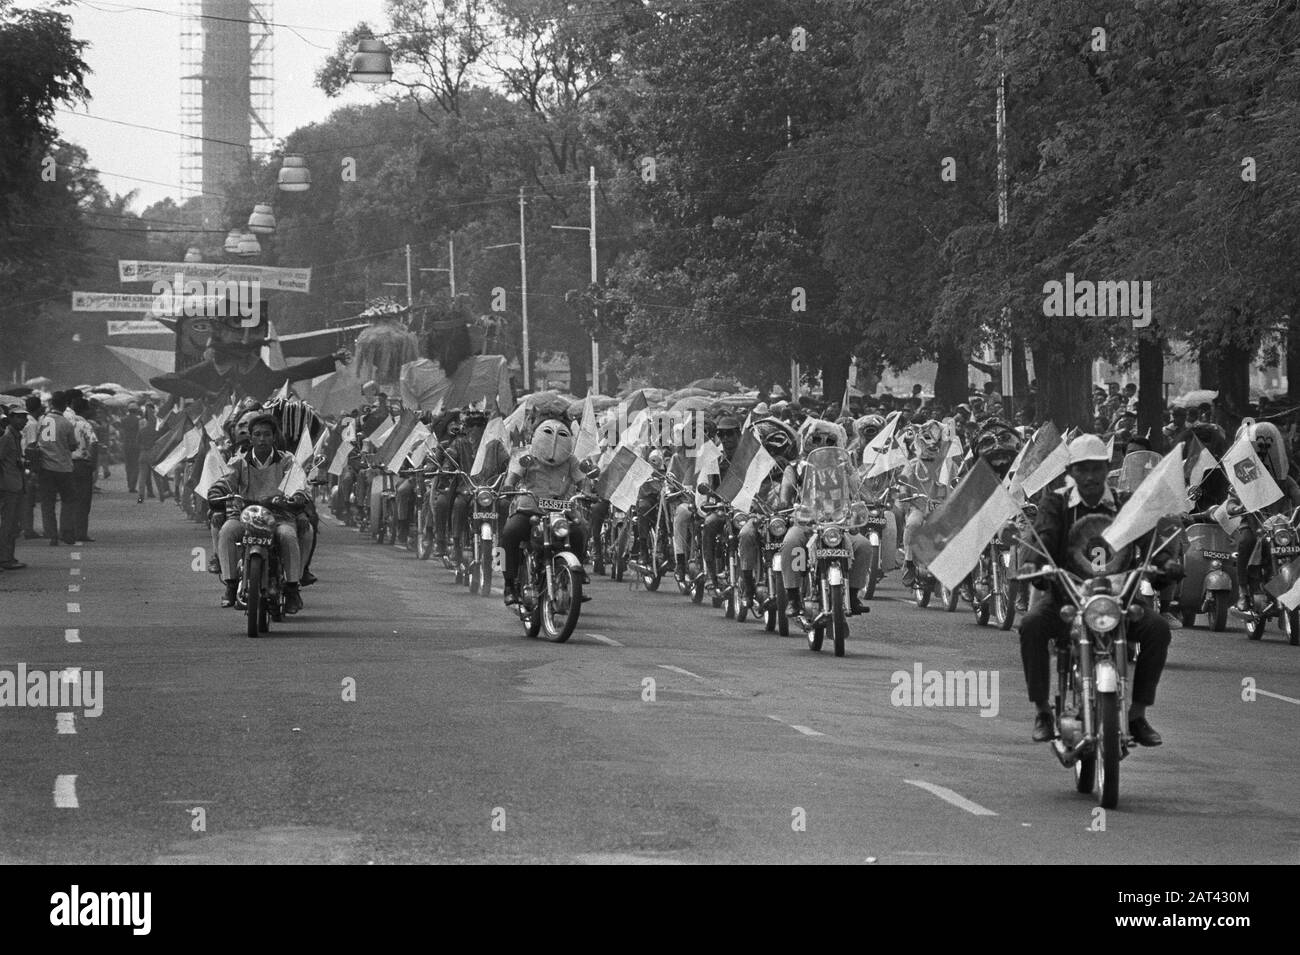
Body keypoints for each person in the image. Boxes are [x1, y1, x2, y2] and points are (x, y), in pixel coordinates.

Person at [1017, 434, 1176, 747]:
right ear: (1071, 472)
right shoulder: (1056, 503)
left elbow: (1148, 539)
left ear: (1108, 469)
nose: (1089, 476)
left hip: (1120, 597)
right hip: (1068, 594)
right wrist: (1032, 564)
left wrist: (1165, 562)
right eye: (1082, 469)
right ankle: (1042, 712)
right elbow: (1045, 537)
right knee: (1031, 625)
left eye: (1096, 468)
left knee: (1158, 629)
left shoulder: (1126, 502)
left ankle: (1137, 714)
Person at [209, 414, 311, 614]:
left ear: (274, 437)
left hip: (279, 517)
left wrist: (297, 496)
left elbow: (298, 483)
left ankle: (292, 589)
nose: (262, 439)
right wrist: (216, 492)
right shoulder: (239, 461)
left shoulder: (287, 460)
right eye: (257, 435)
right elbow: (225, 481)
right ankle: (230, 585)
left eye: (266, 434)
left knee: (289, 536)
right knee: (227, 531)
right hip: (245, 516)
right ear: (251, 438)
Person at [499, 418, 590, 605]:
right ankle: (509, 584)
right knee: (509, 533)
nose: (554, 439)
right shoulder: (525, 456)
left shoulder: (572, 461)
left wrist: (587, 492)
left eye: (561, 434)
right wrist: (508, 486)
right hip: (529, 509)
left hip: (561, 512)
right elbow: (512, 476)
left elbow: (583, 480)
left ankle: (575, 578)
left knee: (580, 531)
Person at [37, 391, 78, 546]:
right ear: (65, 405)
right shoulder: (66, 423)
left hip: (45, 468)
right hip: (63, 467)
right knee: (68, 500)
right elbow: (73, 445)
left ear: (52, 403)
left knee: (48, 503)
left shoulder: (42, 420)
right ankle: (66, 532)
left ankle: (52, 535)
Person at [0, 404, 29, 570]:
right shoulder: (7, 437)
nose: (23, 420)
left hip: (16, 485)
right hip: (10, 487)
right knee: (8, 525)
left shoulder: (16, 436)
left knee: (13, 526)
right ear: (10, 418)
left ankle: (9, 557)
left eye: (24, 416)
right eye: (19, 416)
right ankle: (5, 558)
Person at [66, 393, 98, 543]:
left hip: (66, 464)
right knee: (83, 500)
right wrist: (93, 464)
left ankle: (67, 531)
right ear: (85, 410)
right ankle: (81, 533)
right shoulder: (85, 424)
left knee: (69, 499)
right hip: (82, 465)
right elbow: (93, 443)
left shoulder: (66, 422)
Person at [136, 403, 160, 502]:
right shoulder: (156, 430)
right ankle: (161, 496)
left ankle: (141, 497)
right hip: (153, 454)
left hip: (143, 454)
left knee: (142, 477)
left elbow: (137, 442)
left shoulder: (142, 430)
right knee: (157, 476)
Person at [120, 401, 142, 493]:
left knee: (128, 465)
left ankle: (129, 484)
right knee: (135, 466)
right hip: (136, 445)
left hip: (126, 444)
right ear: (136, 410)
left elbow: (121, 432)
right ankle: (132, 486)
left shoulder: (123, 420)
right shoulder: (139, 420)